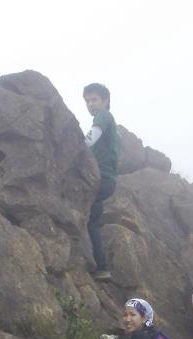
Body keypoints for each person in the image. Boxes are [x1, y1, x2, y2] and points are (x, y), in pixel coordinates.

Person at [82, 83, 121, 282]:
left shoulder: (104, 116)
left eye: (94, 99)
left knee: (82, 214)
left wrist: (74, 148)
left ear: (105, 101)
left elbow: (91, 138)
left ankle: (90, 262)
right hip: (107, 181)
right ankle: (102, 268)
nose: (90, 104)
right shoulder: (110, 125)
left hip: (100, 179)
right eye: (87, 101)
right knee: (92, 223)